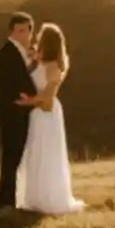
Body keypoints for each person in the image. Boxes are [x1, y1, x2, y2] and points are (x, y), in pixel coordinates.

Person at [14, 22, 84, 215]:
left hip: (46, 115)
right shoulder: (39, 62)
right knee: (34, 154)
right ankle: (34, 197)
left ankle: (48, 198)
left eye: (40, 39)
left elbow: (47, 101)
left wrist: (27, 102)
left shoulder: (53, 68)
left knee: (46, 155)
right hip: (35, 115)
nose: (37, 41)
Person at [0, 12, 37, 210]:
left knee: (18, 157)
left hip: (23, 112)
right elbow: (8, 86)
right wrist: (25, 100)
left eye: (27, 30)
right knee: (11, 157)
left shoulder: (24, 53)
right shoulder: (5, 54)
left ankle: (12, 199)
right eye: (19, 30)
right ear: (11, 32)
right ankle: (6, 201)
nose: (24, 34)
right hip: (13, 112)